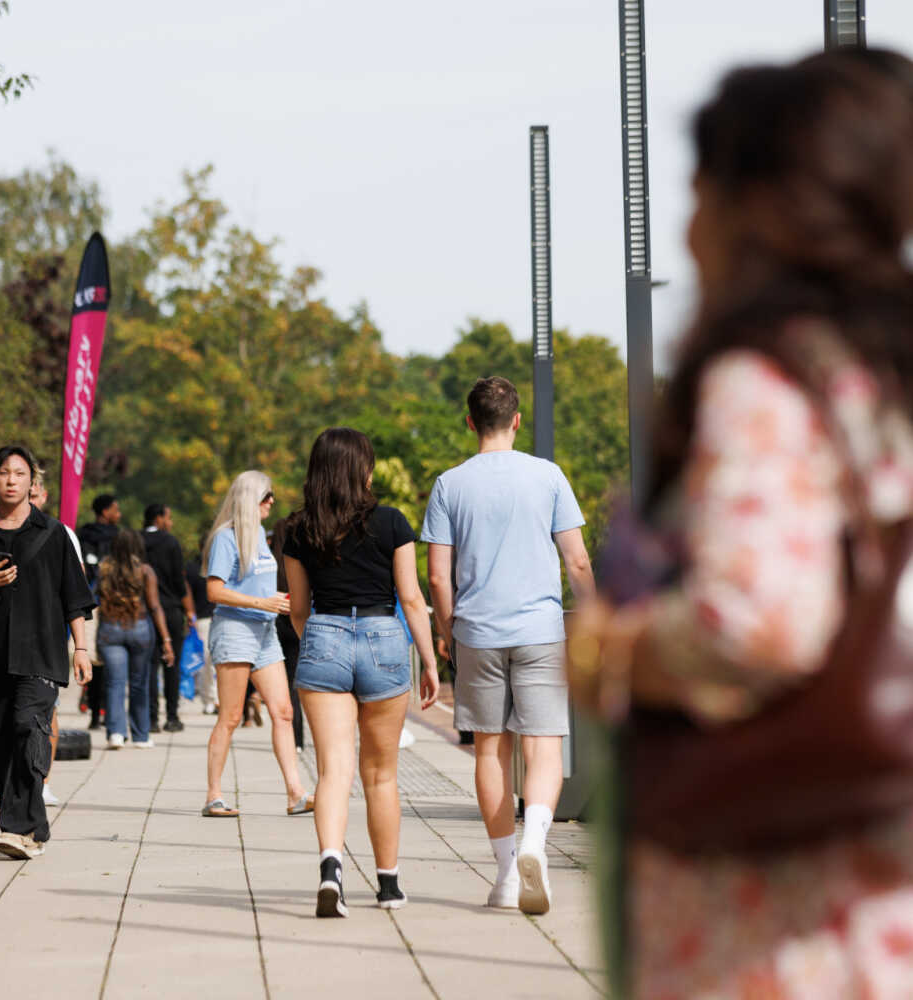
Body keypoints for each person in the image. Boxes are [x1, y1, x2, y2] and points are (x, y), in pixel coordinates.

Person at [569, 53, 913, 999]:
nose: (685, 228)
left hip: (779, 920)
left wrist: (616, 654)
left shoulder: (766, 382)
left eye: (699, 193)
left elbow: (757, 615)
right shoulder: (881, 379)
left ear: (756, 207)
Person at [423, 375, 594, 915]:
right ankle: (538, 845)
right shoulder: (548, 477)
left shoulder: (450, 484)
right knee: (544, 746)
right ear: (516, 420)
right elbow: (578, 561)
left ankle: (503, 874)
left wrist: (449, 633)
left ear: (470, 421)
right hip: (541, 630)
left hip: (477, 631)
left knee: (490, 751)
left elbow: (437, 577)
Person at [283, 428, 441, 917]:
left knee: (333, 770)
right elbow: (412, 598)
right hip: (382, 637)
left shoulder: (297, 529)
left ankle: (331, 869)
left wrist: (321, 638)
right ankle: (389, 885)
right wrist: (431, 660)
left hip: (324, 634)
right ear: (362, 470)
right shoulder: (392, 522)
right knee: (381, 775)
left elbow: (298, 608)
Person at [0, 445, 94, 860]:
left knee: (31, 728)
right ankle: (33, 824)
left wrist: (80, 649)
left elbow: (75, 597)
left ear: (33, 482)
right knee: (1, 744)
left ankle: (13, 828)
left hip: (42, 650)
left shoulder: (54, 533)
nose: (11, 480)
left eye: (20, 473)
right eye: (4, 473)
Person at [200, 471, 314, 818]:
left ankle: (296, 793)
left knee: (283, 711)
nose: (272, 502)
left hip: (264, 634)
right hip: (235, 631)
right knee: (231, 716)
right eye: (267, 496)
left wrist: (274, 599)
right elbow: (214, 591)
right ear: (251, 499)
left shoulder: (261, 539)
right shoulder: (226, 538)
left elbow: (255, 587)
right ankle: (214, 795)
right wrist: (261, 603)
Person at [29, 466, 81, 807]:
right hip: (11, 636)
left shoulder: (61, 534)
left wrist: (81, 646)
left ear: (44, 497)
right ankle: (15, 779)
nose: (27, 501)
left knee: (48, 709)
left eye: (33, 495)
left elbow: (76, 591)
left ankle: (43, 780)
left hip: (49, 636)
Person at [97, 529, 173, 748]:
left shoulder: (104, 569)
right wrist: (166, 640)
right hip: (139, 627)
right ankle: (141, 735)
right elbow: (155, 606)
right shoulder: (145, 571)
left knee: (114, 683)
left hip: (111, 628)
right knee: (140, 683)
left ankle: (116, 733)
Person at [142, 502, 195, 733]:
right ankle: (172, 717)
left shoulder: (135, 540)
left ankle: (151, 718)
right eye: (168, 518)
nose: (170, 523)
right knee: (171, 664)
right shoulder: (170, 542)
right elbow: (178, 579)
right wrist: (188, 610)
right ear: (158, 519)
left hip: (144, 610)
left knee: (149, 666)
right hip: (171, 609)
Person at [75, 494, 121, 728]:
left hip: (104, 604)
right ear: (105, 511)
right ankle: (97, 711)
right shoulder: (90, 537)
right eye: (115, 508)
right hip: (100, 605)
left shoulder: (112, 536)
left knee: (103, 659)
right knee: (97, 659)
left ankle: (100, 711)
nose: (119, 514)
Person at [269, 522, 305, 752]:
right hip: (299, 618)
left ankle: (294, 736)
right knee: (299, 679)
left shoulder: (271, 564)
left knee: (287, 680)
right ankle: (300, 738)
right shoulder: (301, 557)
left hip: (277, 620)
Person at [185, 533, 217, 714]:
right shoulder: (193, 568)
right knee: (207, 662)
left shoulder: (196, 567)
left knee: (214, 662)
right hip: (203, 619)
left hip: (213, 618)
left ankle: (215, 697)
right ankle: (209, 698)